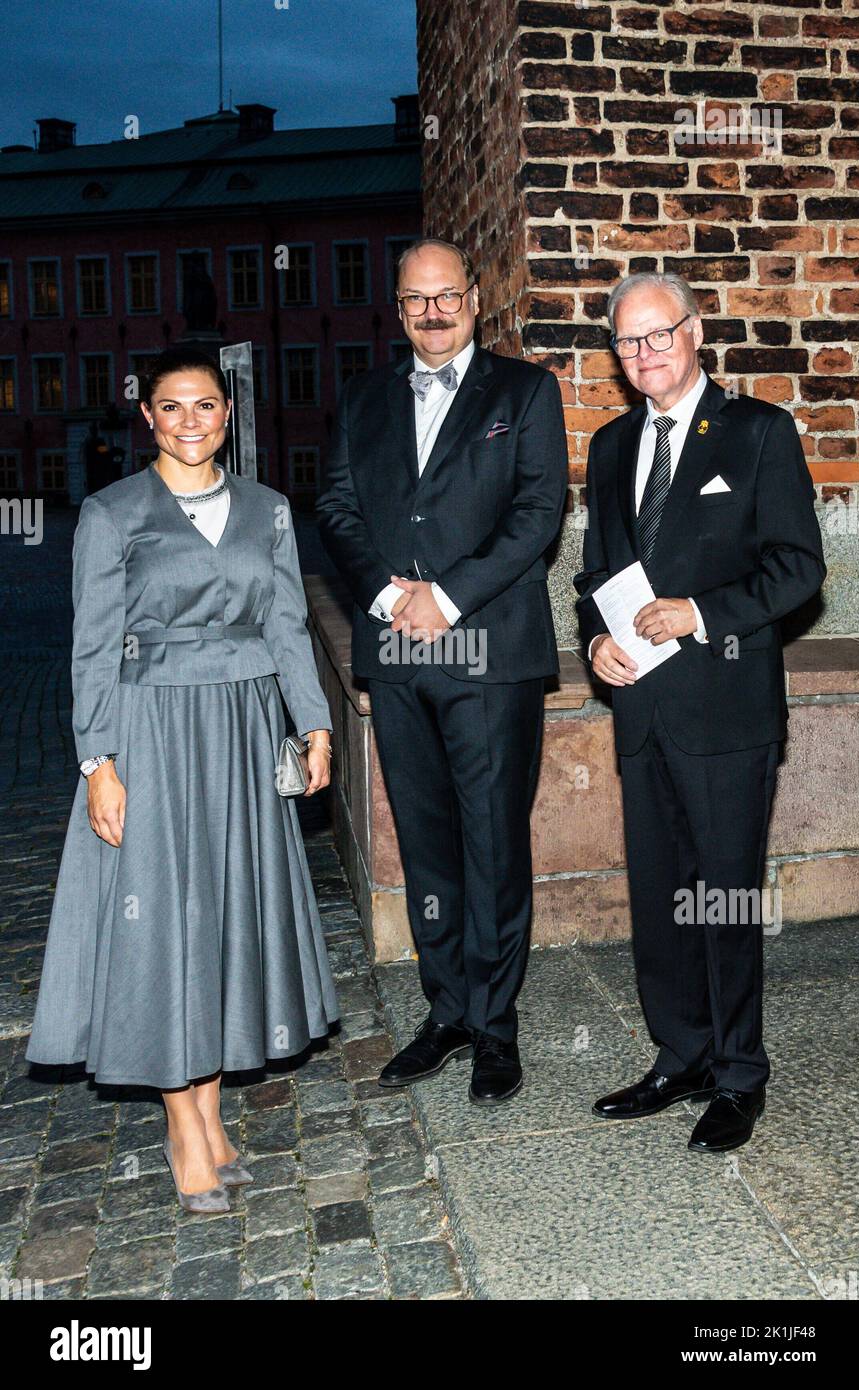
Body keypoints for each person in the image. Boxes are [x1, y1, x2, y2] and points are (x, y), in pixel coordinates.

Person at [26, 348, 338, 1210]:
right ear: (148, 418)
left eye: (207, 406)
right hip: (152, 732)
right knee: (164, 919)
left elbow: (286, 625)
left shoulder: (270, 509)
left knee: (222, 913)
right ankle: (182, 1128)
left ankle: (210, 1112)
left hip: (241, 733)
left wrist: (312, 724)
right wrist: (100, 763)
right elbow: (91, 647)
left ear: (228, 416)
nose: (191, 421)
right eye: (173, 407)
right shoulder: (112, 512)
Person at [575, 272, 825, 1152]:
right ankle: (679, 1055)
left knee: (723, 900)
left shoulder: (758, 432)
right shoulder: (609, 448)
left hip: (726, 712)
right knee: (660, 899)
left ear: (695, 330)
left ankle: (738, 1074)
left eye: (659, 335)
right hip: (640, 710)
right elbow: (594, 575)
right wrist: (596, 644)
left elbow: (799, 569)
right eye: (628, 343)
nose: (645, 355)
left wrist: (699, 612)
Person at [318, 238, 568, 1105]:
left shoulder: (525, 392)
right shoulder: (362, 398)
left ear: (475, 301)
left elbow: (540, 512)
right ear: (397, 308)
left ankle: (496, 1029)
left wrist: (448, 599)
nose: (433, 311)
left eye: (447, 297)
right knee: (426, 844)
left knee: (493, 843)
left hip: (488, 652)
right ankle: (448, 1013)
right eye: (416, 299)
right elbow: (338, 509)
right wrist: (389, 604)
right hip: (397, 658)